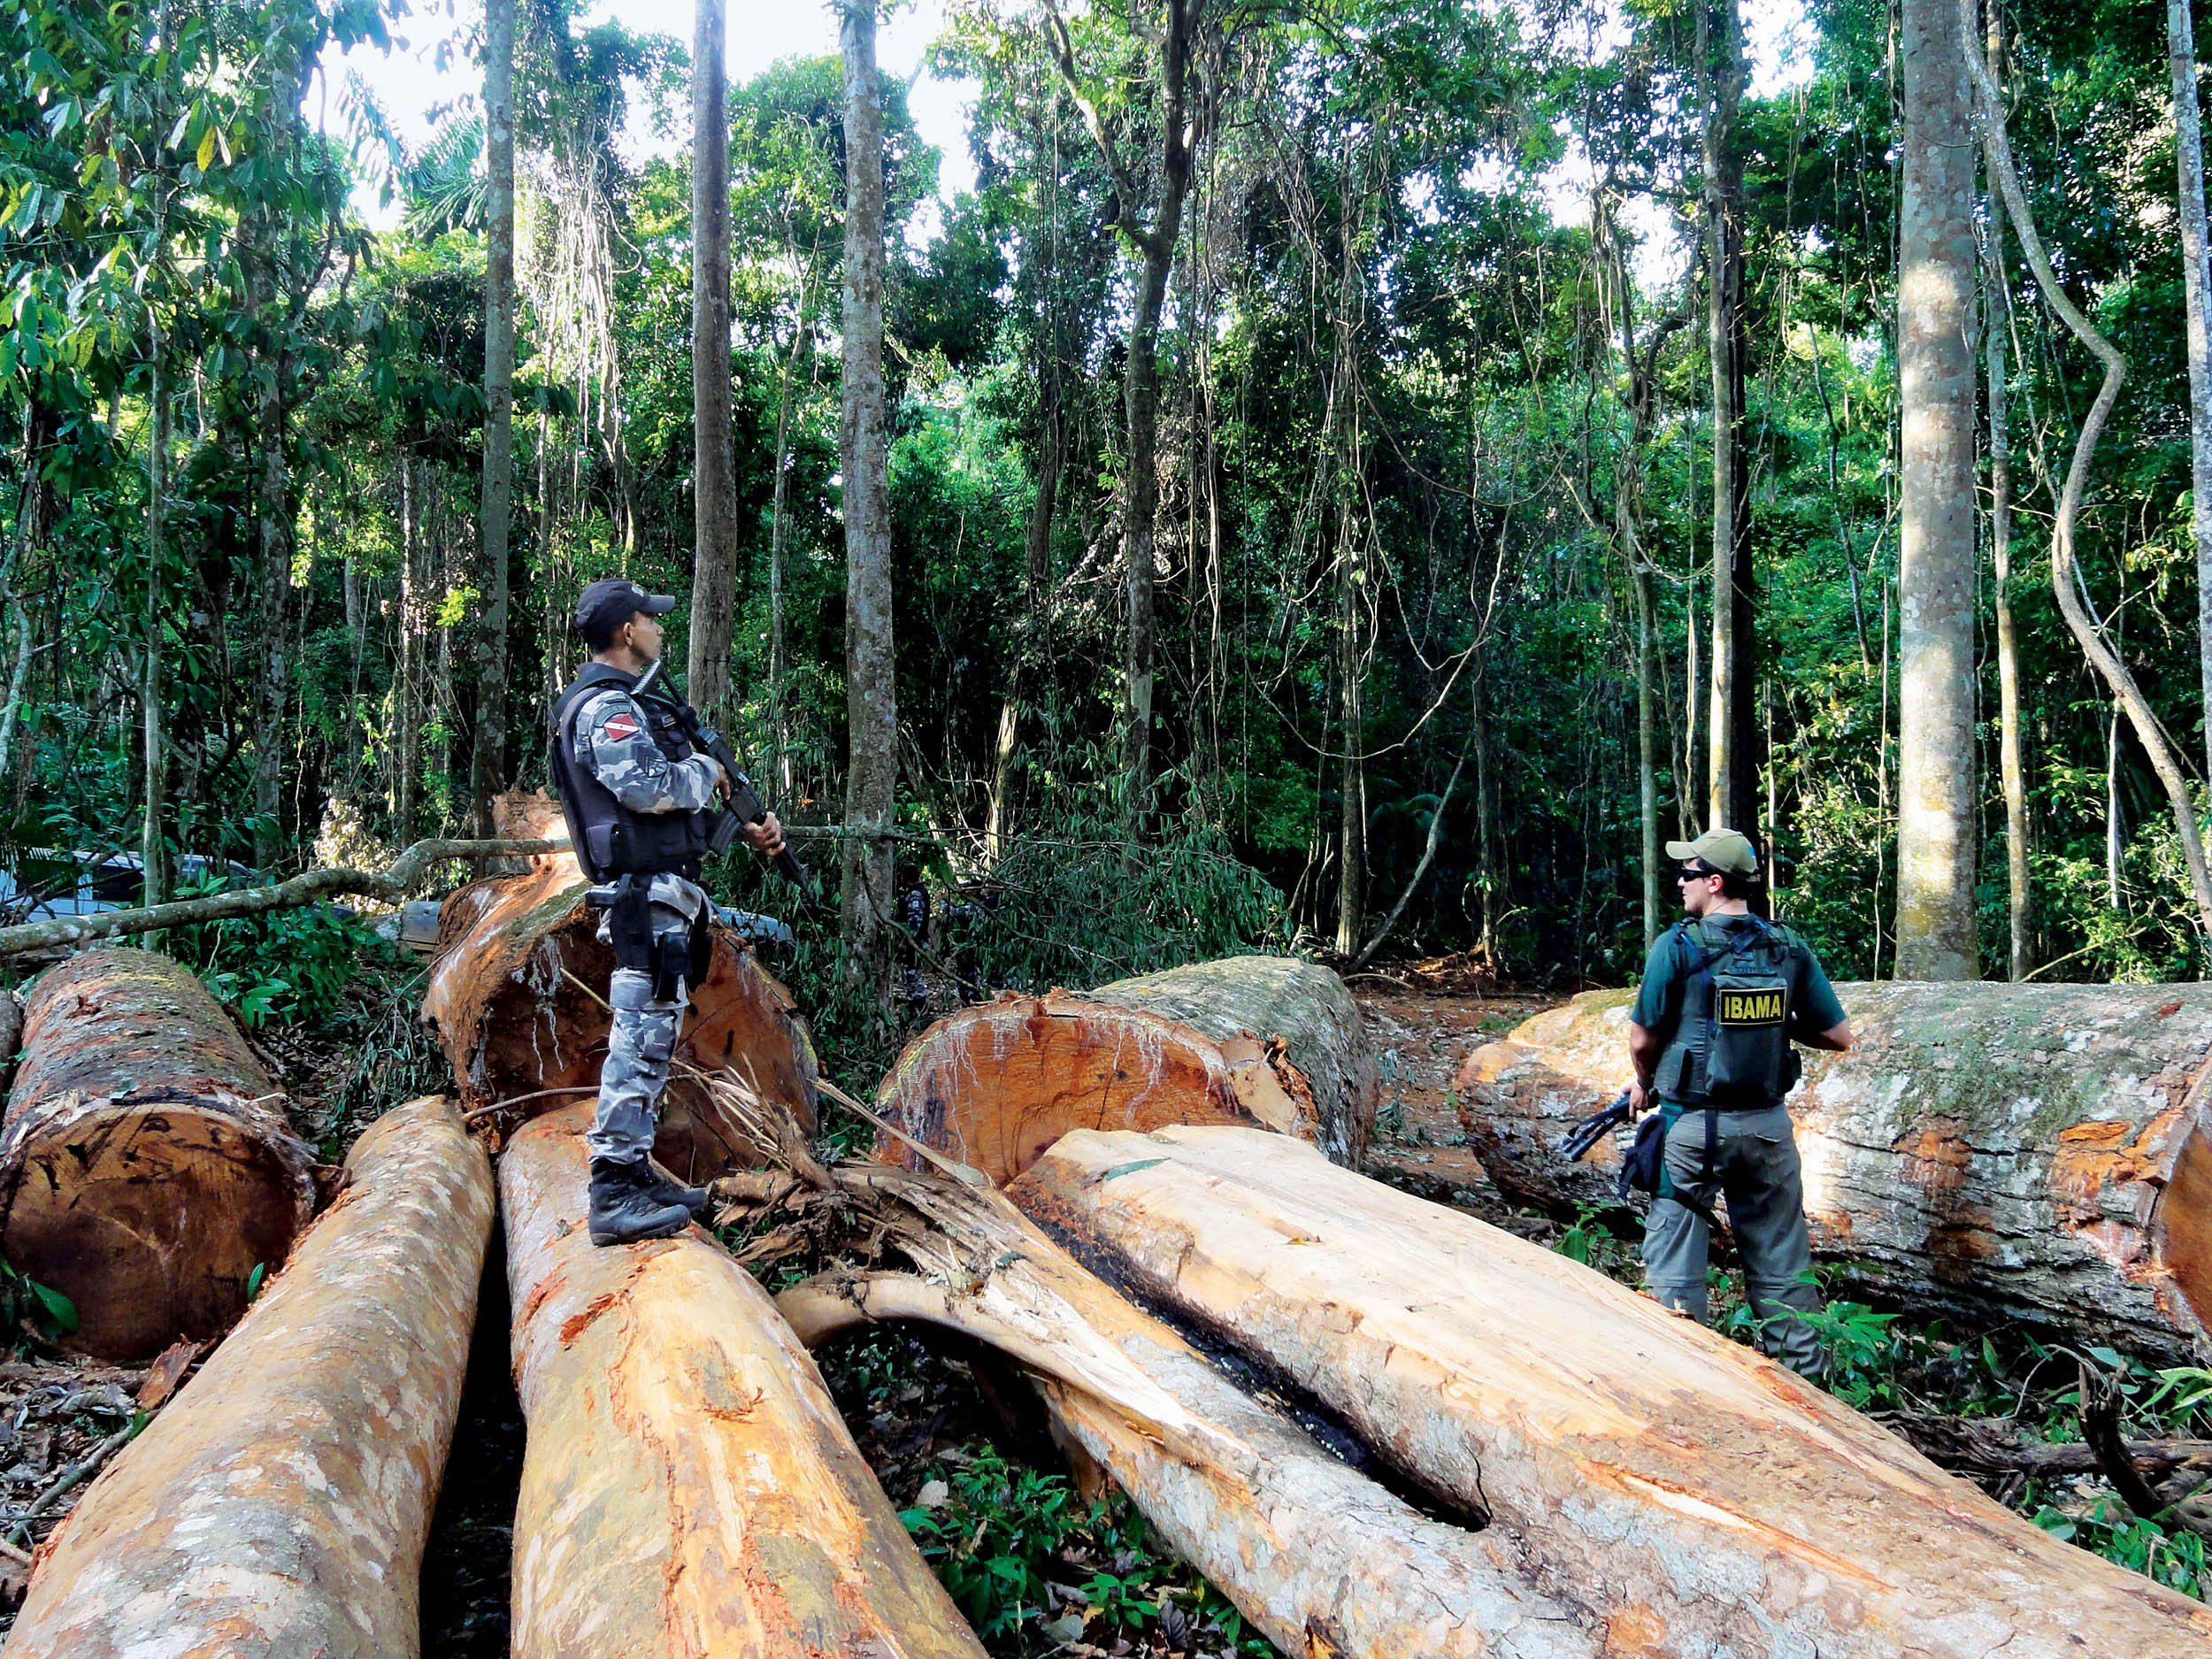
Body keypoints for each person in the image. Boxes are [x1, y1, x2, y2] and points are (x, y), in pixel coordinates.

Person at [547, 578, 785, 1247]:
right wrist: (704, 771)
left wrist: (739, 817)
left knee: (651, 1034)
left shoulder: (627, 704)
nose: (659, 627)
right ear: (626, 631)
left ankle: (633, 1167)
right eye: (650, 618)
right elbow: (648, 788)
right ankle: (613, 1188)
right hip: (641, 896)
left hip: (660, 892)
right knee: (639, 1033)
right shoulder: (605, 708)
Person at [1624, 827, 1852, 1377]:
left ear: (1715, 881)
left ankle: (1680, 1384)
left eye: (1688, 874)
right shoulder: (1788, 948)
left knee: (1675, 1267)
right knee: (1781, 1266)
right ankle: (1810, 1393)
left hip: (1694, 1127)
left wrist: (1642, 1082)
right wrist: (1773, 1022)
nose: (1680, 883)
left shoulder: (1676, 946)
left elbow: (1641, 1038)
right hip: (1769, 1130)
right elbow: (1839, 1035)